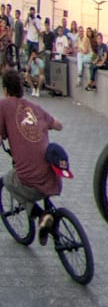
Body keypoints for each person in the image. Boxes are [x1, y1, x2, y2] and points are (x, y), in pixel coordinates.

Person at [0, 68, 64, 243]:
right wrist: (46, 125)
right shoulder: (35, 107)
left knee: (7, 180)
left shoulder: (3, 106)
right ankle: (49, 219)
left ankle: (41, 216)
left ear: (5, 90)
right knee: (36, 176)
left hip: (30, 180)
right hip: (53, 177)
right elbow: (59, 125)